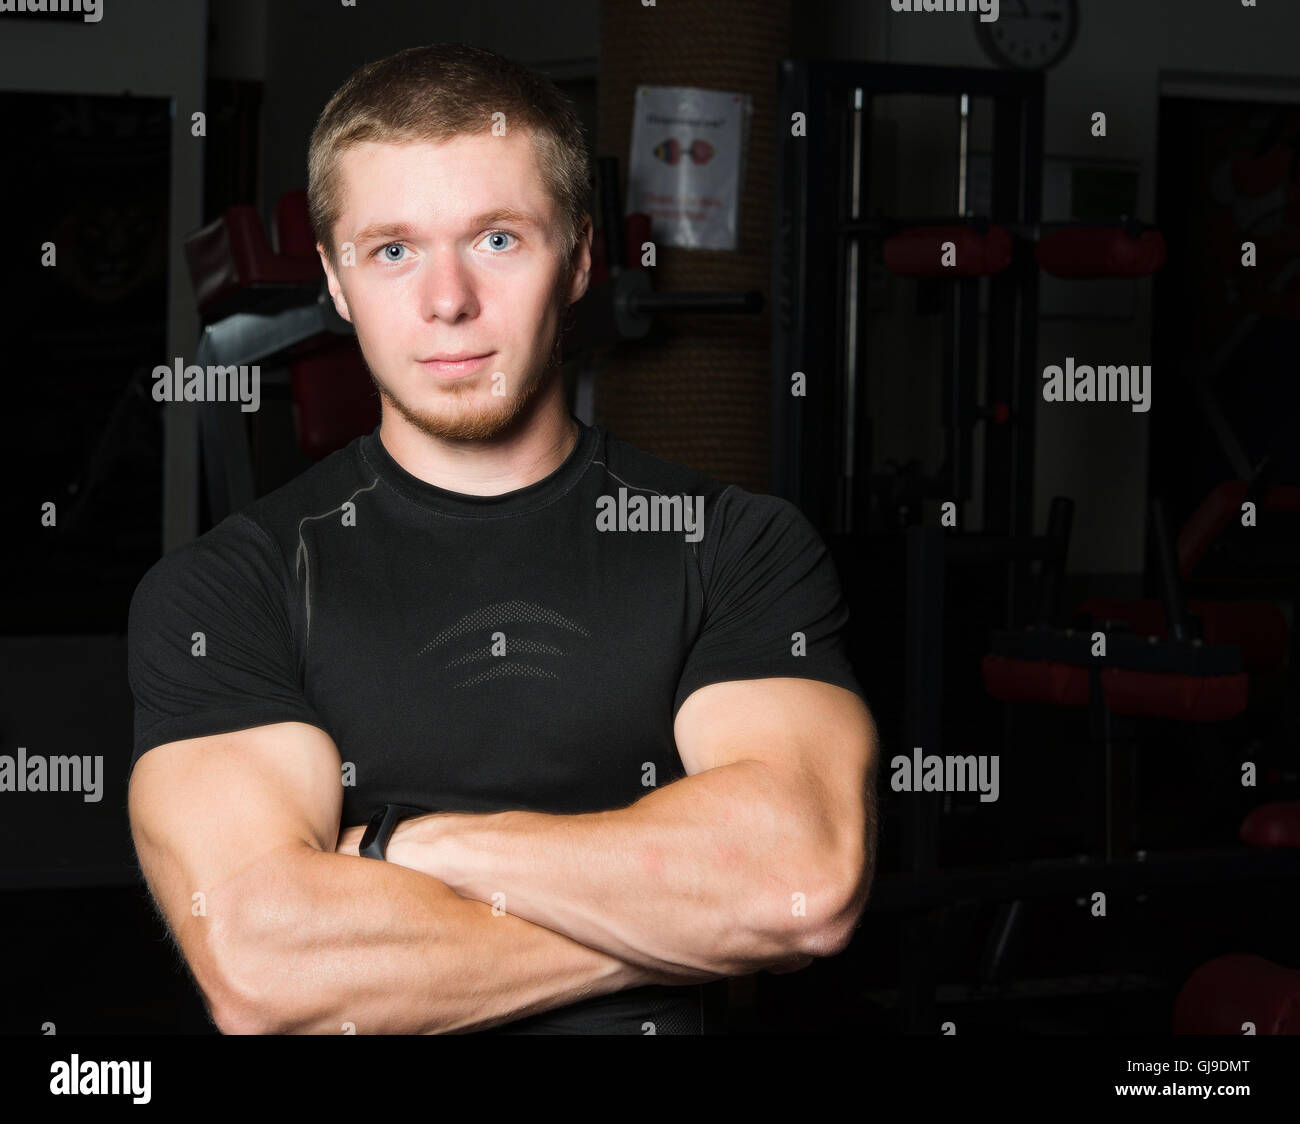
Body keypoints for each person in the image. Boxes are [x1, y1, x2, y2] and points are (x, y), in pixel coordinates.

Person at [126, 43, 878, 1035]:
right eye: (392, 248)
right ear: (337, 281)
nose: (446, 301)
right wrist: (671, 937)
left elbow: (797, 881)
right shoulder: (226, 591)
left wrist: (404, 846)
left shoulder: (735, 547)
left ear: (579, 255)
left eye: (496, 239)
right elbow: (266, 963)